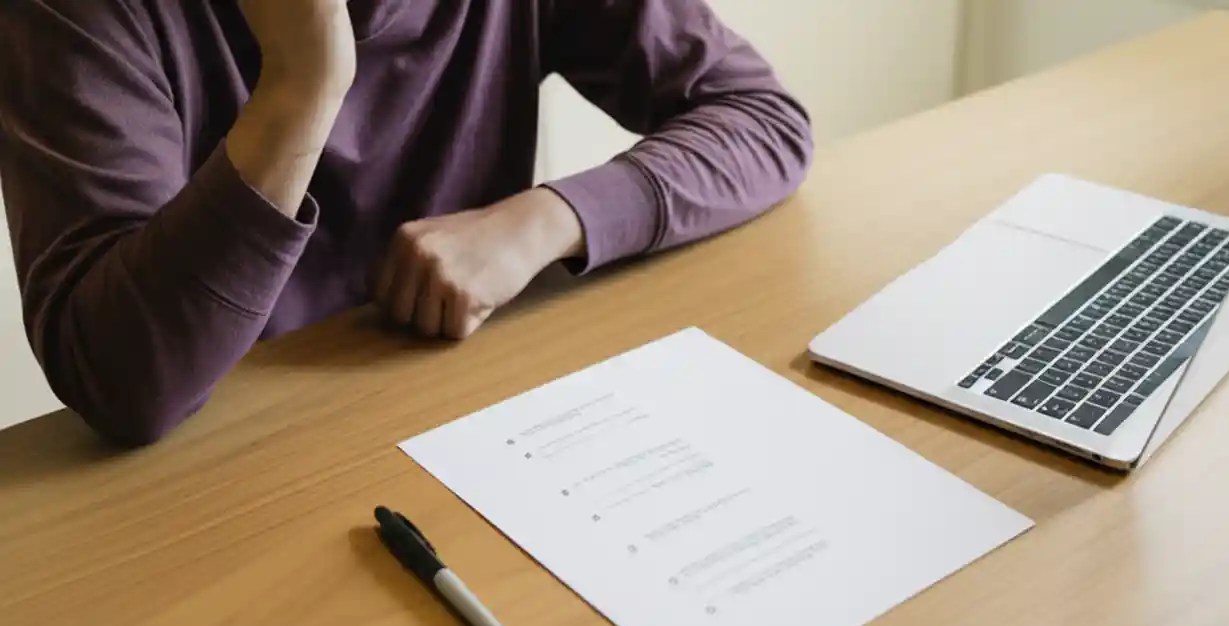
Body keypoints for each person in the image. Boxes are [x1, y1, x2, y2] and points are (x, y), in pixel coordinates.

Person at [0, 0, 812, 445]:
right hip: (215, 473)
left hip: (467, 426)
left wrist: (543, 221)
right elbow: (118, 380)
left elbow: (762, 120)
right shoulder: (78, 14)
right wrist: (304, 81)